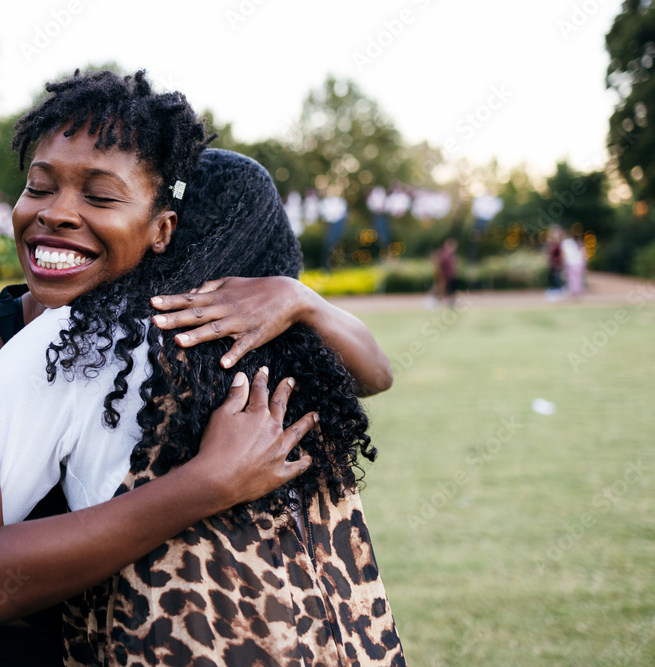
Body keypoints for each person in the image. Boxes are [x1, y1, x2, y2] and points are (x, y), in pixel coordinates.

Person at [0, 70, 394, 664]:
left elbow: (373, 375)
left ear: (162, 228)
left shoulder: (178, 346)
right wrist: (205, 485)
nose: (57, 213)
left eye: (100, 196)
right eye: (39, 188)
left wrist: (300, 299)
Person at [55, 149, 405, 665]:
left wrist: (295, 298)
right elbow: (377, 375)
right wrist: (298, 296)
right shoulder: (137, 340)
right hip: (317, 625)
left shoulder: (280, 327)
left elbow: (379, 372)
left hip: (194, 630)